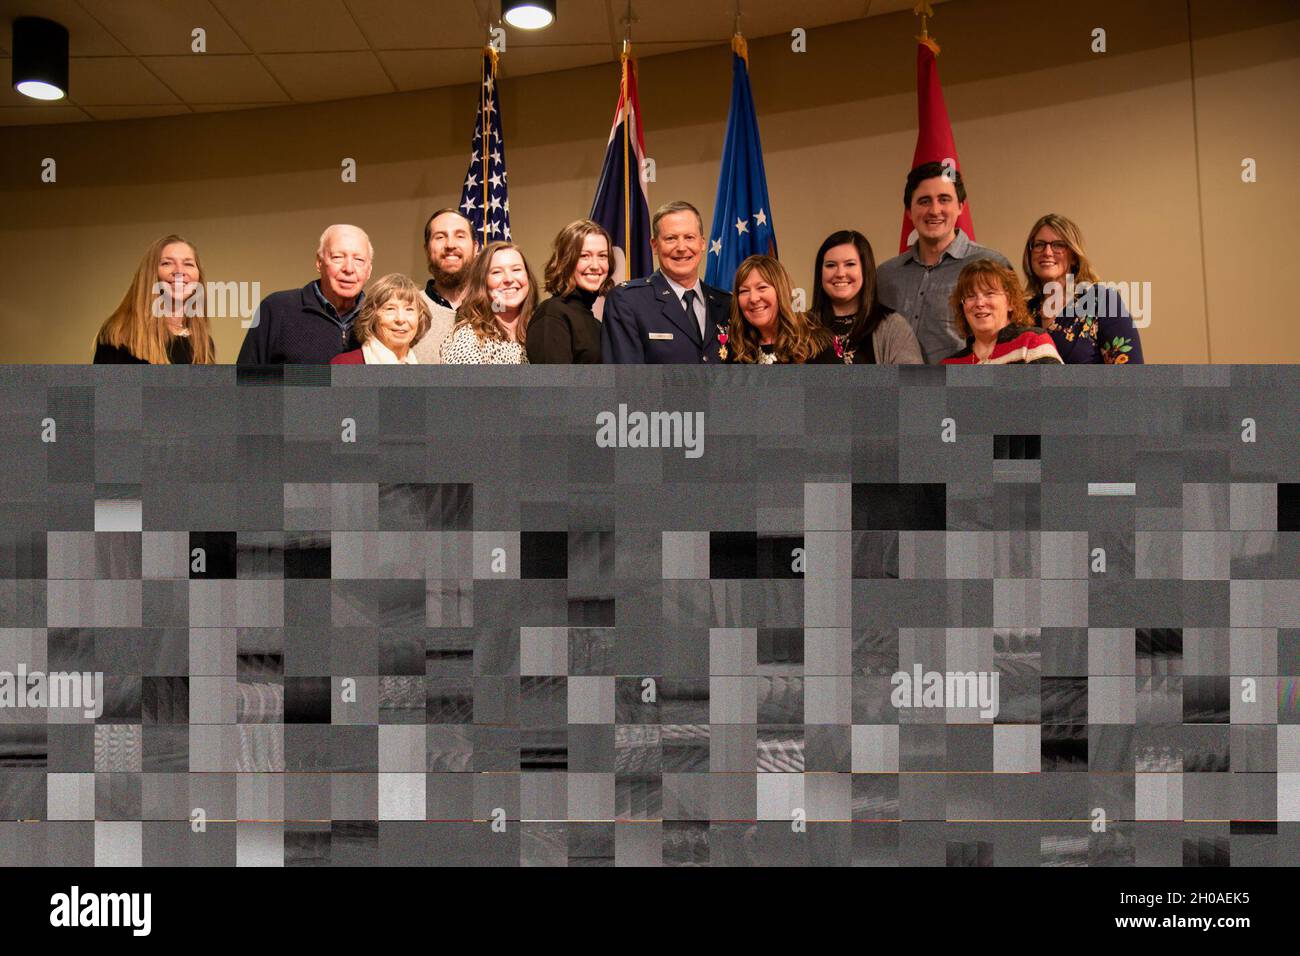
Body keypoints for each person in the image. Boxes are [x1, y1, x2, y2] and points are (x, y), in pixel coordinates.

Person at [877, 162, 1012, 363]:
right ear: (908, 211)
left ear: (960, 207)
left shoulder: (992, 265)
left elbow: (1010, 343)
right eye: (924, 201)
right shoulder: (885, 275)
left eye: (944, 199)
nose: (934, 210)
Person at [601, 200, 731, 364]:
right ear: (654, 246)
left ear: (702, 243)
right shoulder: (628, 301)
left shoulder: (726, 304)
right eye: (671, 238)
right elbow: (625, 381)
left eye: (689, 237)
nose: (682, 247)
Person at [236, 224, 372, 364]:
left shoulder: (379, 320)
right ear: (319, 262)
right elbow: (243, 379)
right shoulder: (276, 308)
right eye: (337, 257)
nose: (349, 269)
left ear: (369, 270)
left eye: (359, 260)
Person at [1021, 213, 1144, 364]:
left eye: (1058, 245)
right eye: (1039, 244)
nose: (1047, 252)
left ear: (1073, 256)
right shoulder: (1022, 313)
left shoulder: (1101, 301)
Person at [94, 235, 216, 364]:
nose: (179, 271)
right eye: (167, 263)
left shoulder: (204, 343)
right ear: (150, 274)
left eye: (188, 264)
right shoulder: (120, 335)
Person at [811, 229, 923, 365]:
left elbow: (911, 383)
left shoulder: (893, 326)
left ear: (865, 269)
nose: (840, 273)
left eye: (850, 264)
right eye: (830, 265)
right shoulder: (800, 328)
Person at [942, 259, 1063, 365]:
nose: (979, 303)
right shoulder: (949, 366)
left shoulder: (1033, 343)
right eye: (970, 296)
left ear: (1010, 302)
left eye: (989, 293)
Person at [723, 255, 838, 364]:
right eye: (744, 291)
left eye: (762, 287)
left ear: (781, 292)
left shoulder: (818, 344)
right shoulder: (735, 351)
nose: (753, 298)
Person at [527, 220, 613, 364]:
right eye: (584, 256)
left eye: (602, 256)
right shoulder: (552, 313)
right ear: (565, 261)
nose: (595, 265)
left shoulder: (596, 324)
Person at [440, 241, 538, 364]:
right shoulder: (468, 337)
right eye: (497, 272)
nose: (509, 279)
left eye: (516, 269)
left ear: (527, 277)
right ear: (482, 283)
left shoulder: (541, 329)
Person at [412, 208, 478, 363]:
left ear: (476, 248)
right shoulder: (406, 311)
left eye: (460, 236)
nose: (450, 245)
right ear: (427, 250)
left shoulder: (496, 310)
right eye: (440, 237)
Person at [330, 274, 432, 365]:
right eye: (390, 309)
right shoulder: (344, 365)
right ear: (372, 316)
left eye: (409, 309)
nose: (401, 319)